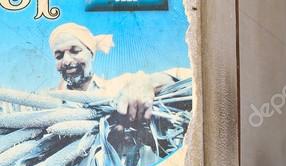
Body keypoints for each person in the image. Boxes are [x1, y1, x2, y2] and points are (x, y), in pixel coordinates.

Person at [49, 22, 189, 123]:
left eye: (75, 51)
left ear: (91, 53)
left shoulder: (121, 86)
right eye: (59, 56)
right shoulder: (47, 104)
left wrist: (148, 82)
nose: (66, 60)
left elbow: (190, 77)